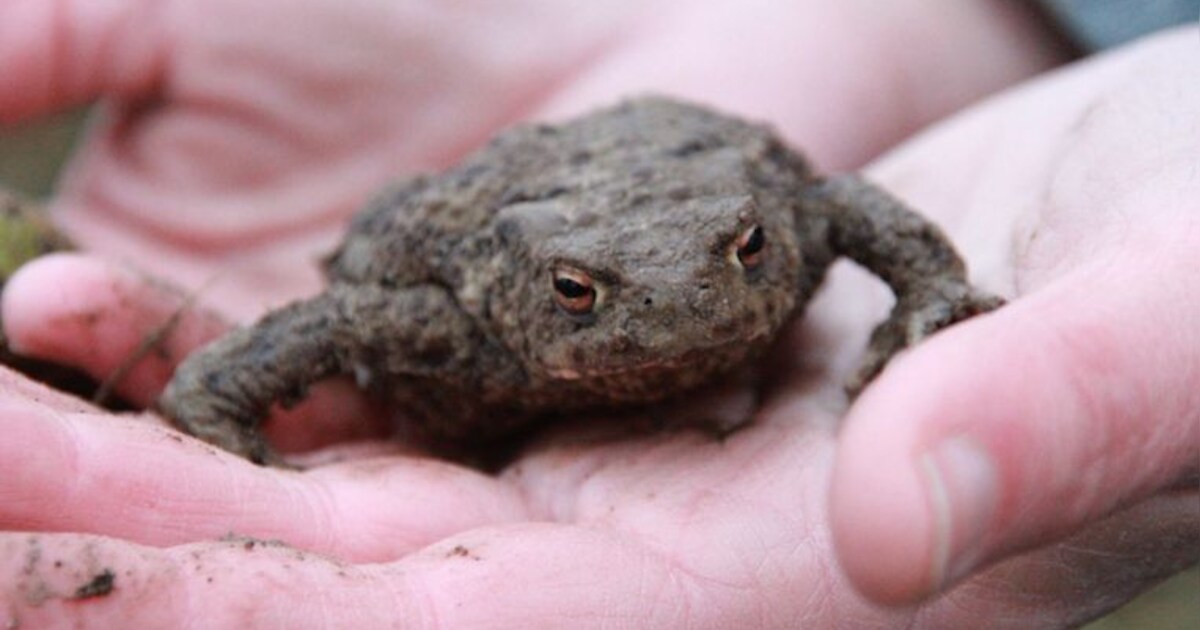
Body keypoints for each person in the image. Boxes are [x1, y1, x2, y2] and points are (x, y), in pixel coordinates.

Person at [0, 1, 1195, 626]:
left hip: (682, 167)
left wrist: (929, 291)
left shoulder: (765, 221)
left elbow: (827, 200)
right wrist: (217, 403)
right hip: (491, 235)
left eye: (739, 259)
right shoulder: (456, 310)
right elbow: (340, 319)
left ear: (756, 241)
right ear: (542, 292)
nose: (684, 310)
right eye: (585, 299)